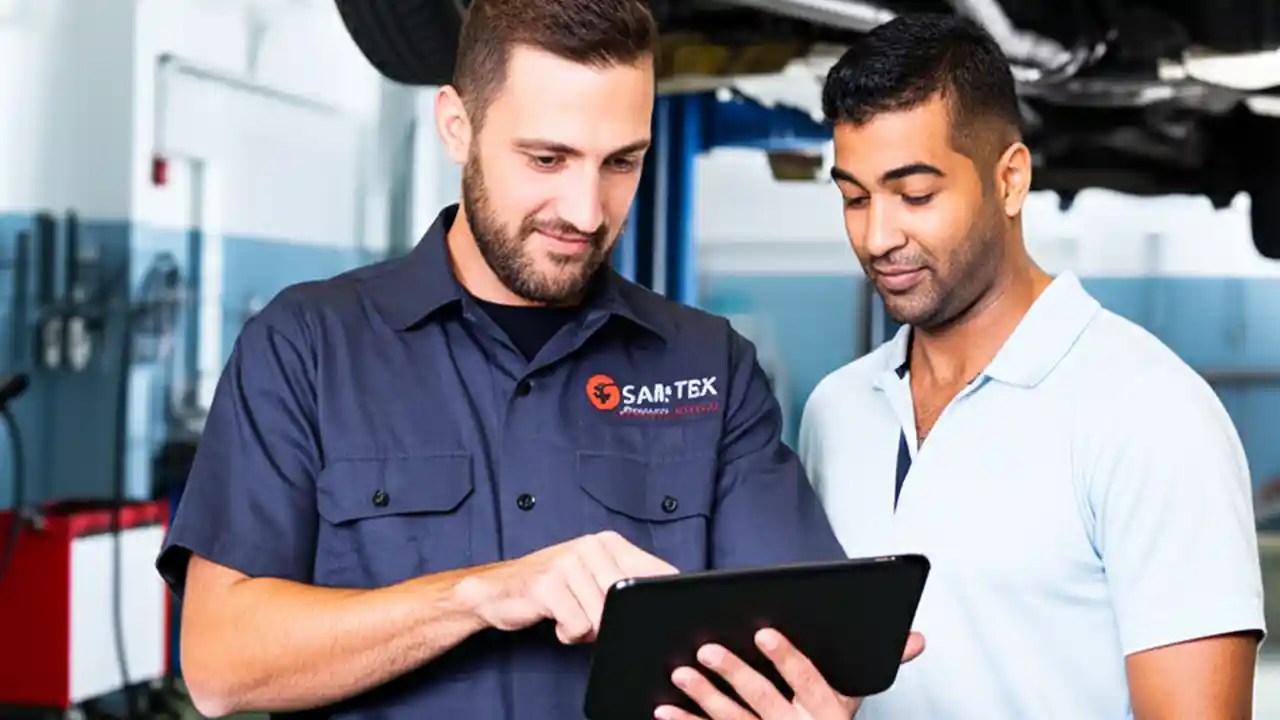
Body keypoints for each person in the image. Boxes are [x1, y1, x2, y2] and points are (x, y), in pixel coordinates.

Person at [156, 1, 921, 718]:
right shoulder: (308, 346)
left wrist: (814, 692)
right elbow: (222, 666)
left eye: (621, 163)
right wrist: (483, 593)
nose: (586, 212)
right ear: (458, 126)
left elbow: (799, 654)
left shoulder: (709, 368)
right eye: (548, 158)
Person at [799, 12, 1266, 720]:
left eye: (916, 195)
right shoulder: (837, 411)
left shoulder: (1152, 413)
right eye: (854, 198)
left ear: (1010, 181)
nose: (877, 236)